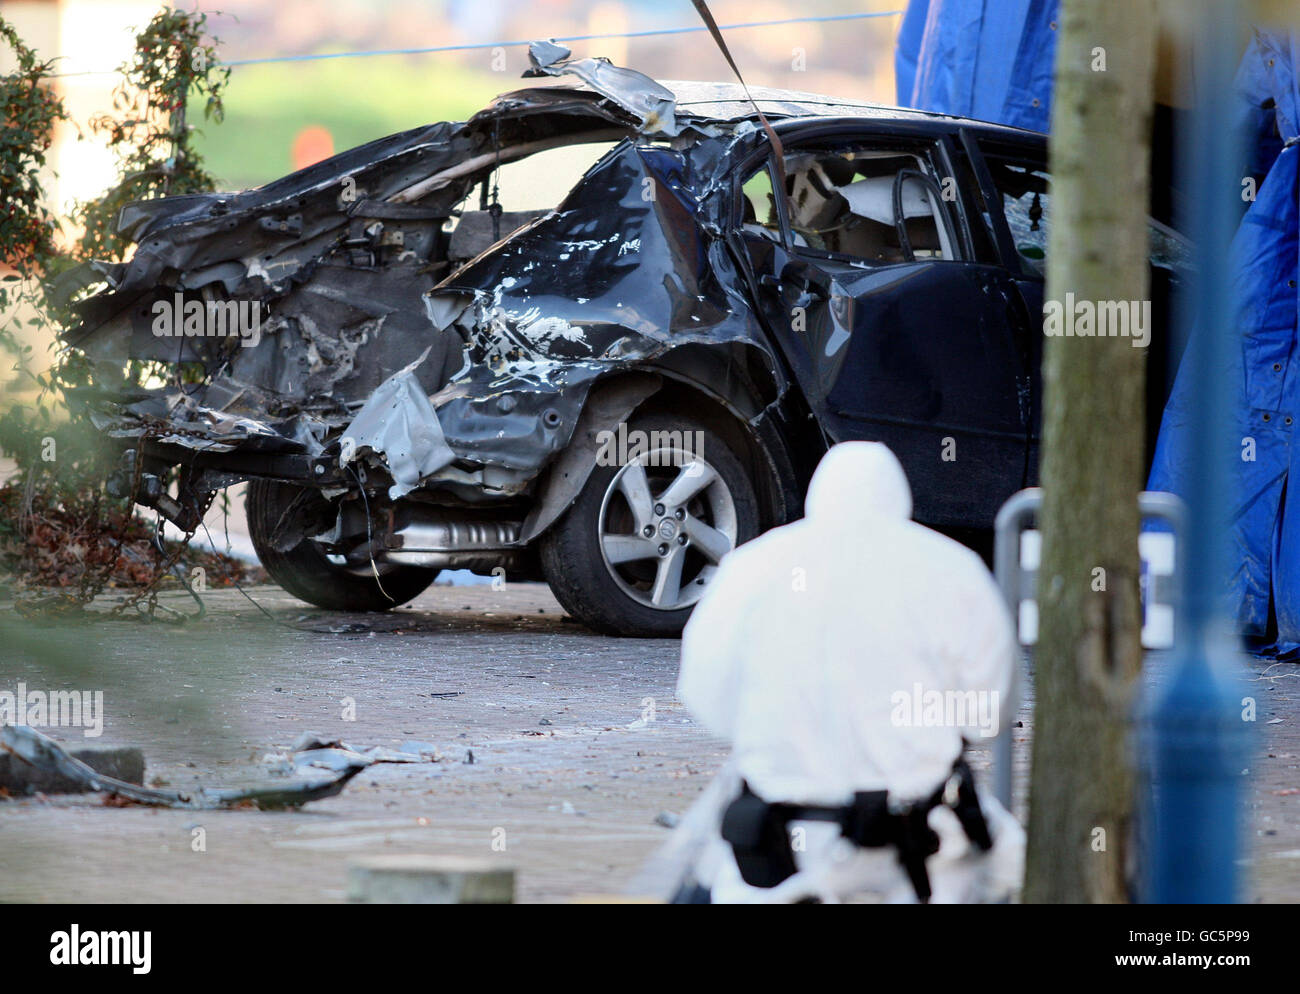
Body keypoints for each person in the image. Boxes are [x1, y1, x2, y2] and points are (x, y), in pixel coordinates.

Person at [667, 441, 1023, 903]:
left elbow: (706, 699)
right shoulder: (953, 568)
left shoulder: (750, 567)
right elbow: (989, 714)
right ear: (901, 500)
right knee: (1012, 866)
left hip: (774, 857)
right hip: (918, 856)